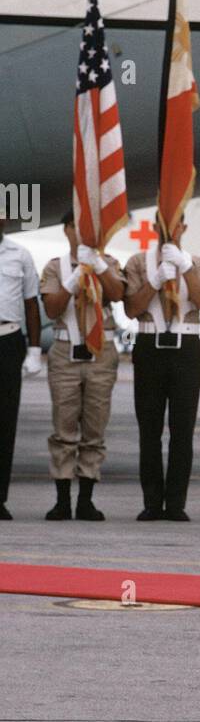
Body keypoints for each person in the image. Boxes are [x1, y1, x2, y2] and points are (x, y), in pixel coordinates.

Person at [125, 219, 200, 520]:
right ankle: (152, 502)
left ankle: (176, 504)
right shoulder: (139, 262)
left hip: (185, 346)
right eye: (165, 225)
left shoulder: (198, 263)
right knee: (149, 430)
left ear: (184, 228)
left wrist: (184, 267)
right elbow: (131, 308)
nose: (170, 231)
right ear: (155, 227)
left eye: (175, 225)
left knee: (182, 430)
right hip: (150, 344)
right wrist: (154, 281)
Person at [40, 209, 125, 519]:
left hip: (100, 351)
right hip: (65, 348)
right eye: (76, 226)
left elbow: (117, 293)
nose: (82, 232)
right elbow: (51, 308)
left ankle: (86, 499)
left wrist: (98, 265)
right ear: (66, 230)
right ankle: (62, 499)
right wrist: (75, 278)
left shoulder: (110, 263)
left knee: (94, 427)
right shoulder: (56, 267)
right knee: (63, 427)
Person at [0, 215, 42, 519]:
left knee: (5, 421)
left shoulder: (20, 255)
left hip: (8, 338)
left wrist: (35, 349)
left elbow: (31, 304)